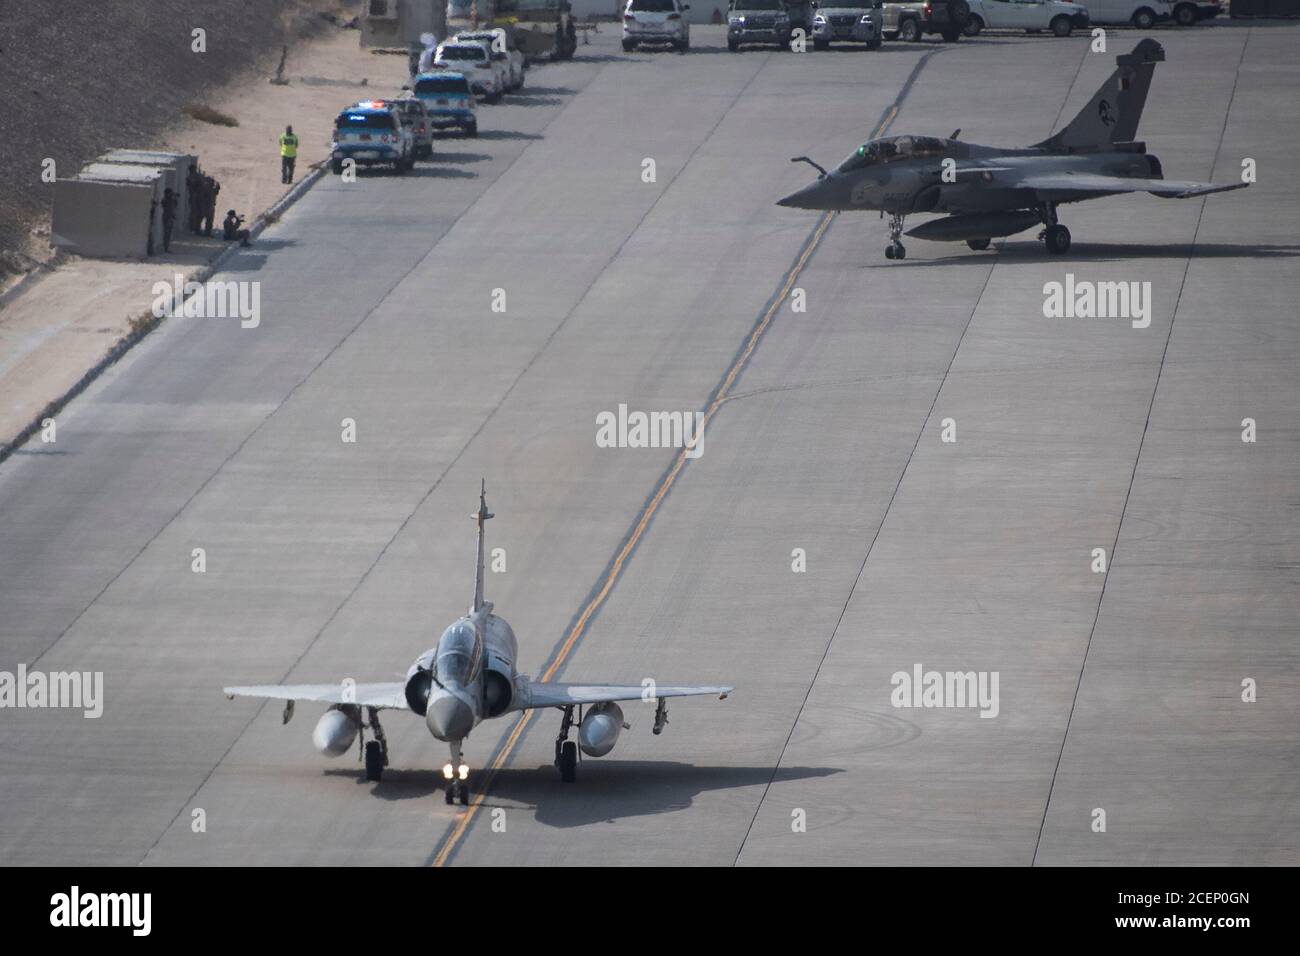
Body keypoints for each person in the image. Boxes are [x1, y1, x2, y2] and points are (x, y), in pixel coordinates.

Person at [185, 164, 203, 233]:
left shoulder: (194, 177)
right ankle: (193, 228)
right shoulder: (191, 177)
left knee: (198, 213)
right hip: (194, 196)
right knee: (195, 213)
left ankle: (195, 228)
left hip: (197, 196)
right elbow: (193, 185)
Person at [160, 188, 178, 253]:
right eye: (170, 193)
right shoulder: (166, 200)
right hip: (167, 218)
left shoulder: (171, 200)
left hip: (170, 218)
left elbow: (175, 205)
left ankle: (166, 247)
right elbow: (166, 206)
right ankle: (165, 248)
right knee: (166, 233)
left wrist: (174, 198)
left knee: (168, 234)